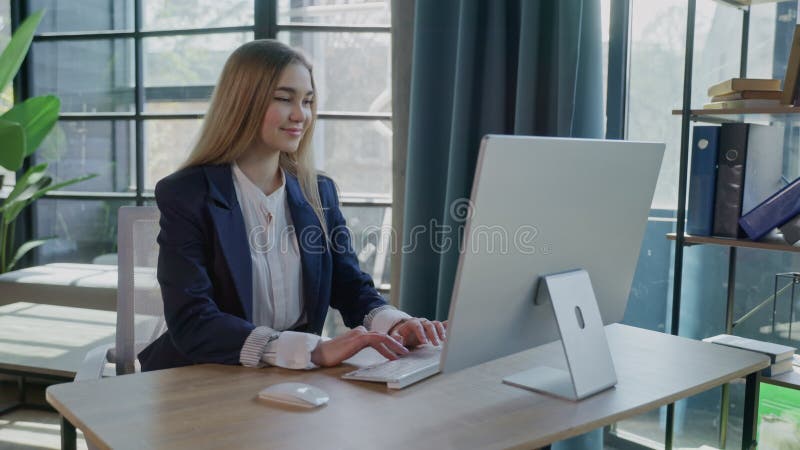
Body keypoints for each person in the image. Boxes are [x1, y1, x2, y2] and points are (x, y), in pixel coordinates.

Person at [138, 39, 446, 372]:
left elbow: (349, 285)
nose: (301, 115)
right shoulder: (187, 194)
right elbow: (192, 320)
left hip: (290, 378)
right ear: (243, 102)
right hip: (200, 376)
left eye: (308, 101)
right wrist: (310, 351)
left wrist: (394, 324)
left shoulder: (319, 192)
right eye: (285, 99)